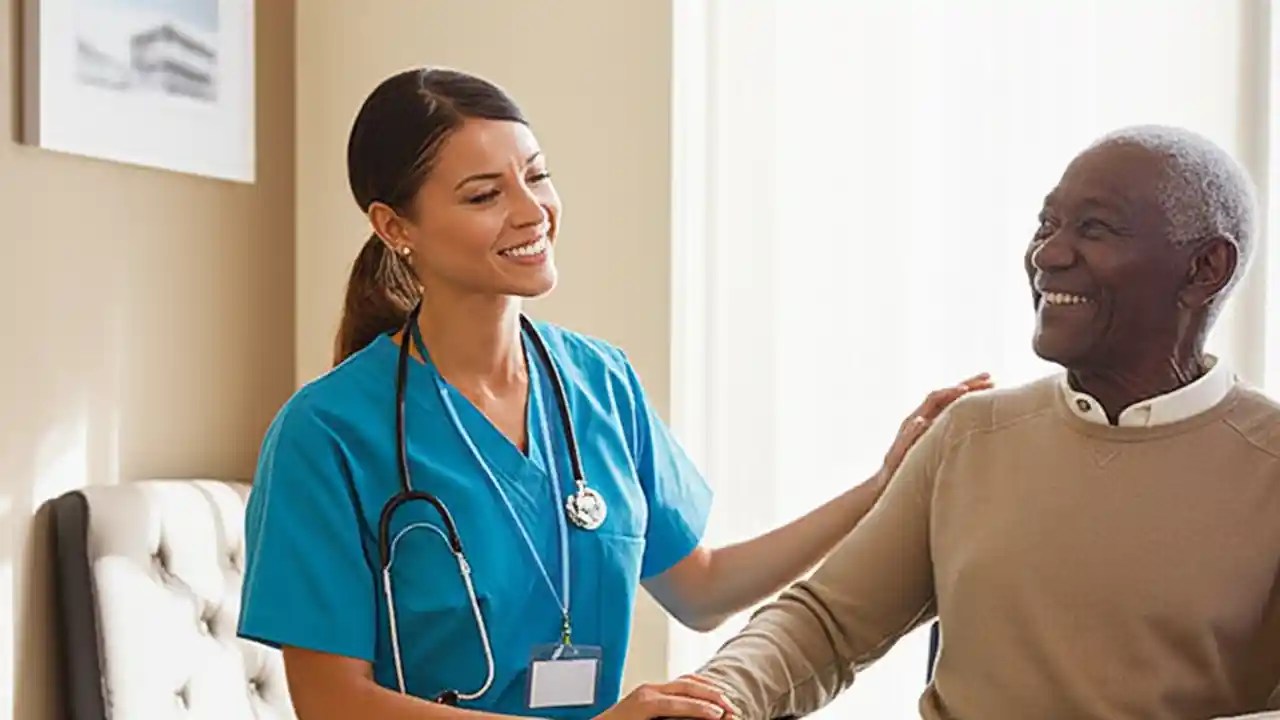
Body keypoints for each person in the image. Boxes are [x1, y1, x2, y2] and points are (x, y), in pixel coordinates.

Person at [234, 66, 991, 720]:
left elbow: (701, 588)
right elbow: (333, 703)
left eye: (536, 174)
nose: (532, 212)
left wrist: (883, 485)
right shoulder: (326, 434)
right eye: (483, 195)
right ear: (396, 226)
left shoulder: (601, 383)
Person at [688, 125, 1280, 720]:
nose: (1049, 254)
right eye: (1047, 226)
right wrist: (716, 697)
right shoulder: (970, 435)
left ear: (1207, 267)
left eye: (1094, 229)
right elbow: (827, 626)